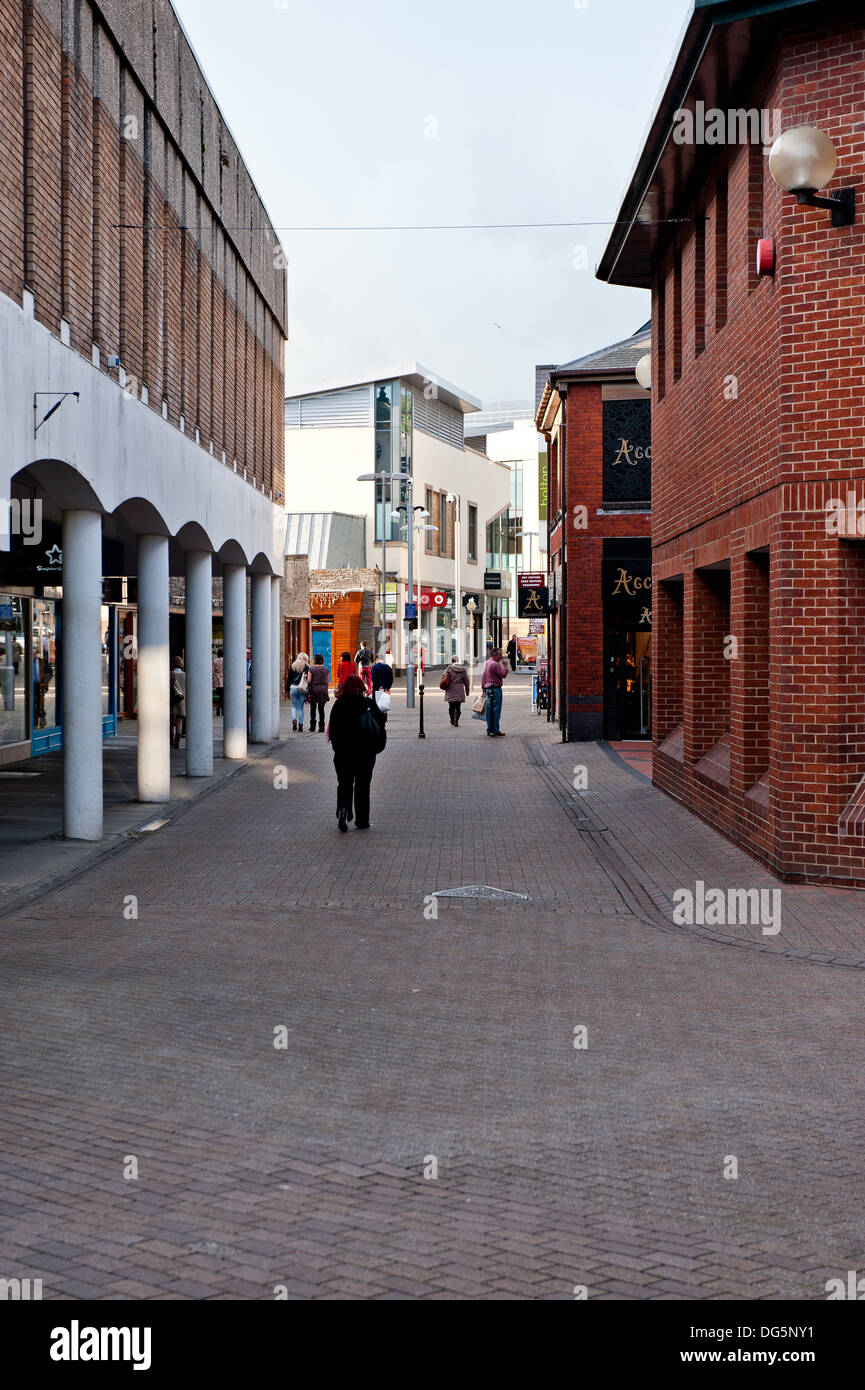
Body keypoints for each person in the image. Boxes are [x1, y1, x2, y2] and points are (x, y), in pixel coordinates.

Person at [327, 673, 385, 832]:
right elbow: (380, 725)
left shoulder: (339, 705)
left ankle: (343, 810)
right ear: (361, 686)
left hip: (343, 753)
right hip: (365, 754)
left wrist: (337, 748)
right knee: (363, 786)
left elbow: (332, 730)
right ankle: (362, 820)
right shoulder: (368, 703)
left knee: (344, 783)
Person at [482, 646, 508, 737]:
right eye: (500, 655)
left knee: (489, 710)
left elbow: (483, 677)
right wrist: (505, 667)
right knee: (496, 710)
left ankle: (490, 729)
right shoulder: (495, 664)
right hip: (496, 689)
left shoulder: (486, 663)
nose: (501, 657)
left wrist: (483, 689)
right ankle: (495, 729)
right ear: (495, 655)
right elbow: (503, 675)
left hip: (488, 689)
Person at [441, 656, 470, 727]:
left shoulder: (449, 668)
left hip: (450, 689)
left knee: (451, 706)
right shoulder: (463, 670)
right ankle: (456, 721)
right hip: (459, 689)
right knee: (458, 707)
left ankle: (452, 720)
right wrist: (467, 691)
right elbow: (466, 681)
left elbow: (443, 676)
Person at [287, 651, 310, 731]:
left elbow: (289, 678)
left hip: (293, 687)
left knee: (294, 706)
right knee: (300, 707)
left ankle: (294, 720)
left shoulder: (293, 665)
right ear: (306, 659)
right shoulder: (307, 667)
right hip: (302, 688)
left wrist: (287, 688)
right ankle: (300, 725)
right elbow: (307, 679)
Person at [307, 653, 330, 731]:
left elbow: (309, 681)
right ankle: (321, 727)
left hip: (314, 690)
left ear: (315, 660)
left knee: (313, 709)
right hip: (323, 691)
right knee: (321, 709)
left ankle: (312, 727)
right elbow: (327, 681)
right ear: (322, 660)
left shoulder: (311, 669)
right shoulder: (326, 669)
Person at [371, 653, 394, 722]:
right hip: (386, 688)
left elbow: (373, 678)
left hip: (377, 688)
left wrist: (378, 686)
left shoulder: (375, 667)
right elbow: (391, 679)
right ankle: (384, 717)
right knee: (384, 703)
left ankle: (377, 717)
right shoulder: (388, 667)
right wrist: (388, 687)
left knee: (376, 703)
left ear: (376, 659)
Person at [170, 655, 186, 749]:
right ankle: (177, 743)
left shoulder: (170, 674)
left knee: (171, 722)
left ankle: (171, 742)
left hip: (172, 700)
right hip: (182, 701)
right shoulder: (185, 675)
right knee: (180, 722)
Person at [212, 646, 224, 716]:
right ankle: (221, 709)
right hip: (224, 679)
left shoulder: (215, 660)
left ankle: (219, 708)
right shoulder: (226, 660)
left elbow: (212, 671)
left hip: (217, 680)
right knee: (223, 696)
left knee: (220, 695)